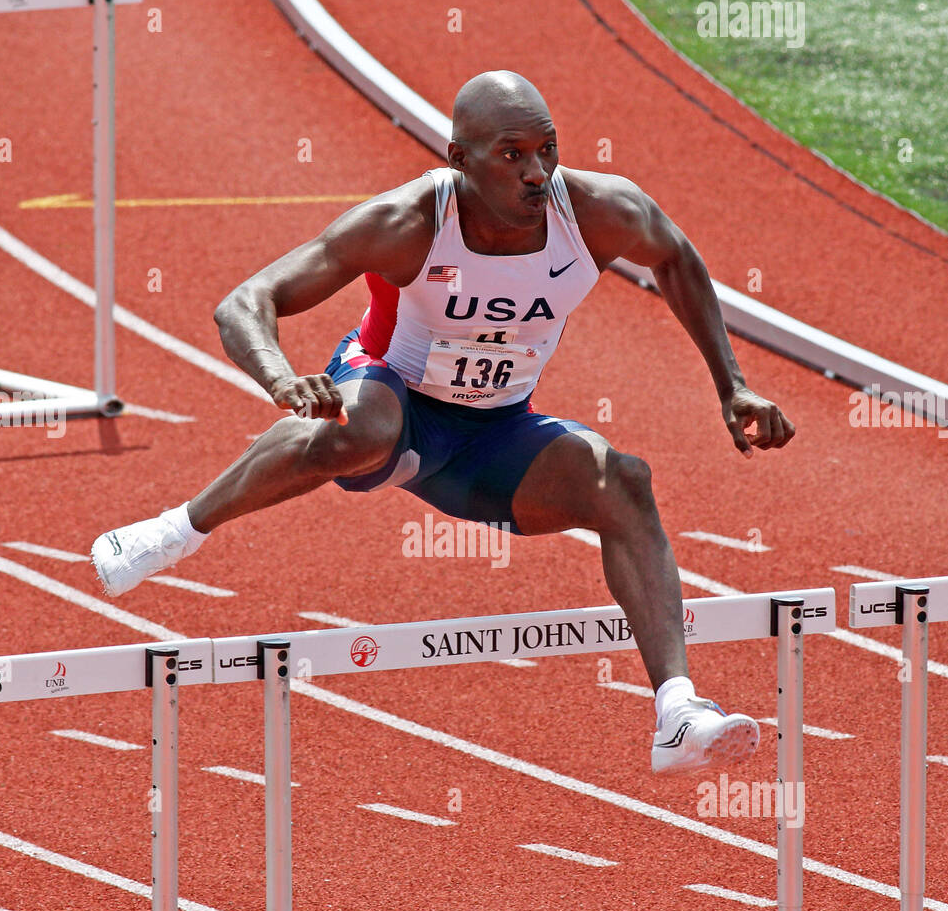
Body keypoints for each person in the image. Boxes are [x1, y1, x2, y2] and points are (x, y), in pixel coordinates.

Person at [92, 71, 794, 774]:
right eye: (511, 154)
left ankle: (676, 713)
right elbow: (246, 300)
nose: (536, 173)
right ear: (459, 159)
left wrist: (730, 387)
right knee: (359, 428)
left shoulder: (598, 212)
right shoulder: (407, 224)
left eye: (546, 149)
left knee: (624, 483)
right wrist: (279, 377)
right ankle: (173, 532)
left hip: (491, 438)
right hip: (389, 400)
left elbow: (675, 258)